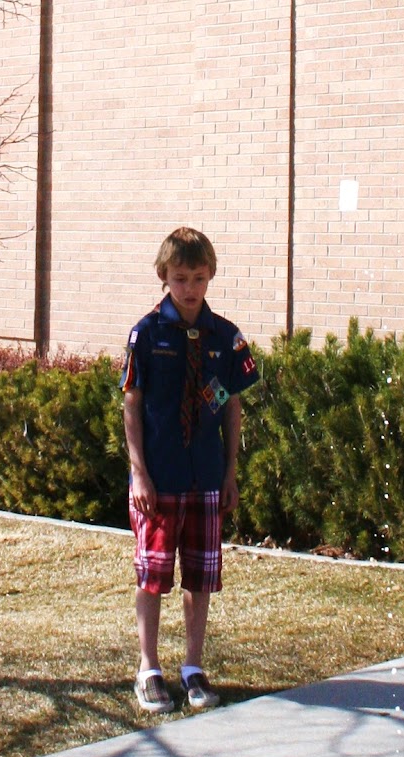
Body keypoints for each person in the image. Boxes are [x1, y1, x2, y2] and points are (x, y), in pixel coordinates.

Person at [119, 227, 260, 713]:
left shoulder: (226, 337)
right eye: (180, 278)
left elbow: (231, 405)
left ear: (210, 277)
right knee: (153, 574)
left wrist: (230, 471)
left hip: (205, 475)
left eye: (198, 278)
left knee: (200, 576)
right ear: (164, 277)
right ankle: (149, 669)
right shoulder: (147, 334)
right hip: (159, 478)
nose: (190, 288)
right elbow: (131, 405)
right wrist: (139, 473)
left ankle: (193, 667)